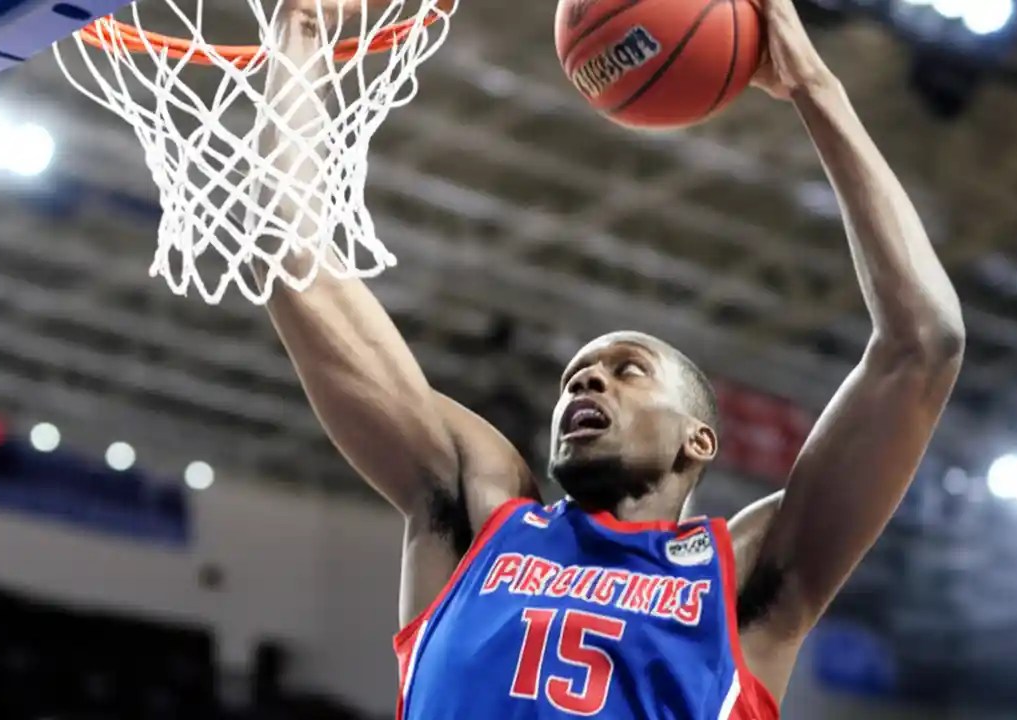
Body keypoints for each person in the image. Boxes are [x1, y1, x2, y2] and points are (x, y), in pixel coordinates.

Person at [258, 0, 965, 716]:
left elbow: (924, 343)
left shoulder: (741, 576)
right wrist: (301, 28)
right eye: (575, 379)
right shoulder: (482, 517)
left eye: (629, 370)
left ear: (698, 441)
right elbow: (298, 270)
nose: (588, 380)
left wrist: (814, 86)